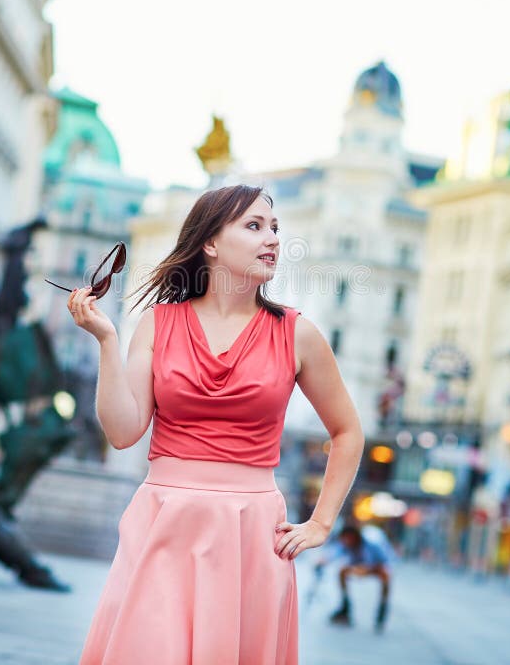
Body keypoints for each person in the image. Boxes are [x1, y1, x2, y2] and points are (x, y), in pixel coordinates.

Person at [70, 184, 364, 664]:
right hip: (164, 519)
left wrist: (321, 523)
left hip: (251, 533)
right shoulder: (158, 324)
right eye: (254, 226)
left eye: (275, 228)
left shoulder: (298, 335)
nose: (271, 239)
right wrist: (106, 340)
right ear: (210, 242)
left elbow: (348, 432)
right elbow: (124, 433)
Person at [314, 523, 393, 631]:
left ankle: (382, 608)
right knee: (341, 571)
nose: (346, 541)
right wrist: (322, 561)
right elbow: (334, 553)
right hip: (356, 568)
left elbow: (386, 561)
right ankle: (345, 606)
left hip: (373, 567)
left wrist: (368, 568)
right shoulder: (345, 545)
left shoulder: (372, 545)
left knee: (386, 574)